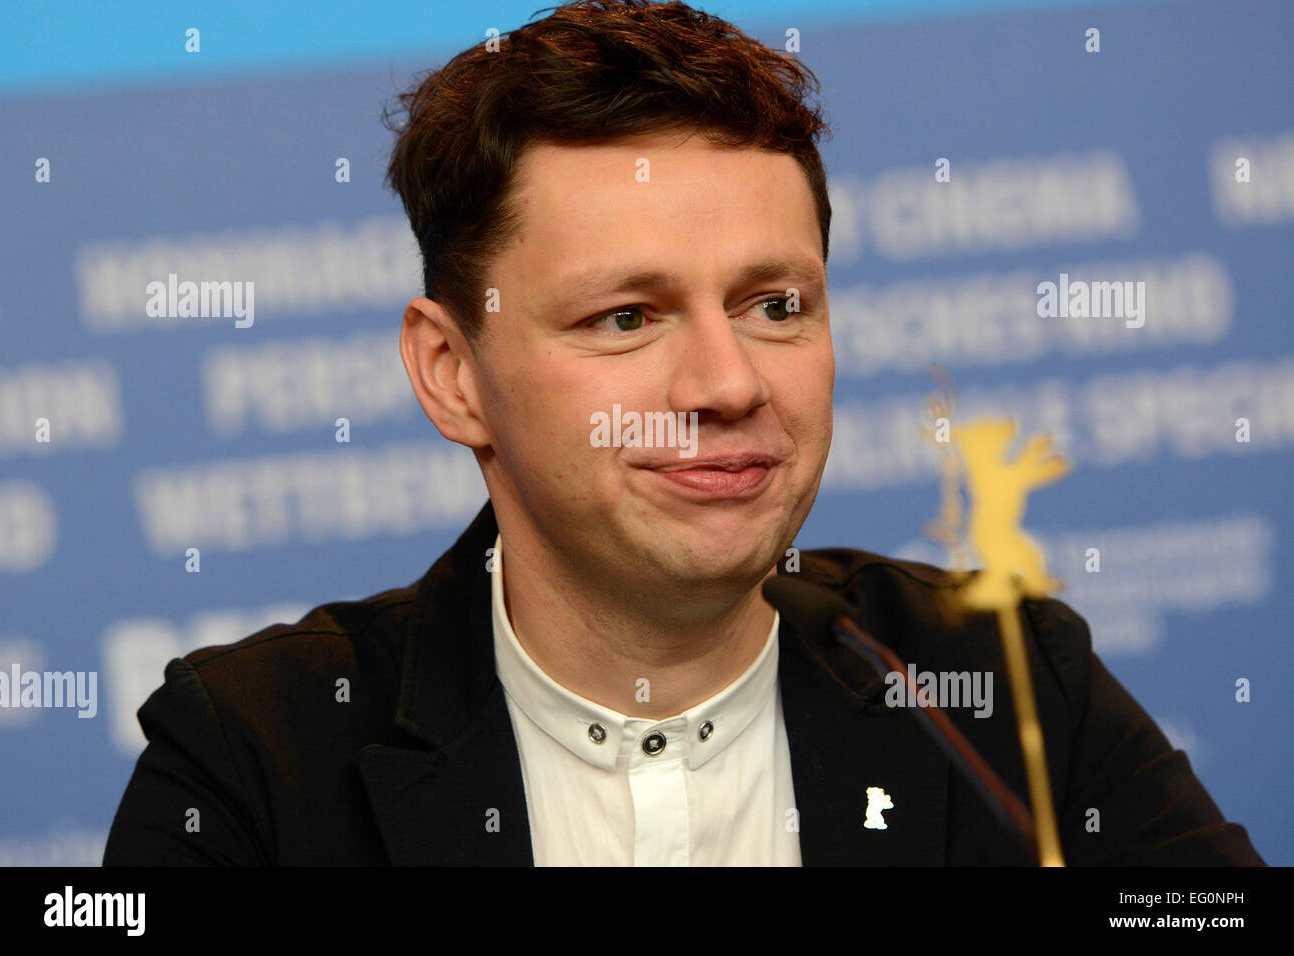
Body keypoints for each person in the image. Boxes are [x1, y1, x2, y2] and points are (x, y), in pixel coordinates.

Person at [103, 0, 1264, 866]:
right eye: (625, 315)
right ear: (452, 374)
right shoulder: (259, 757)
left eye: (774, 306)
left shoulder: (998, 682)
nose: (725, 381)